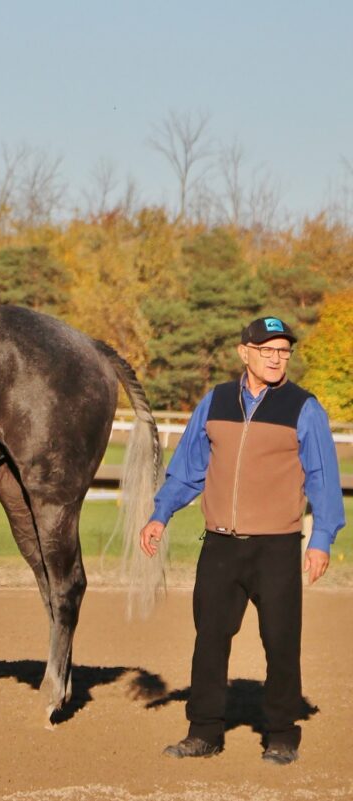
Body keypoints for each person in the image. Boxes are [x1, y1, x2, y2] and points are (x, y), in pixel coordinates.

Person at [140, 316, 344, 766]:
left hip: (277, 547)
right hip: (220, 546)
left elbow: (323, 478)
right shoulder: (213, 402)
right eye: (267, 350)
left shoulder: (303, 407)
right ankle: (204, 732)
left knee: (281, 641)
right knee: (209, 639)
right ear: (244, 353)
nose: (277, 358)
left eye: (284, 351)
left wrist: (322, 538)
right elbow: (188, 466)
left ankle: (281, 734)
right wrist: (161, 513)